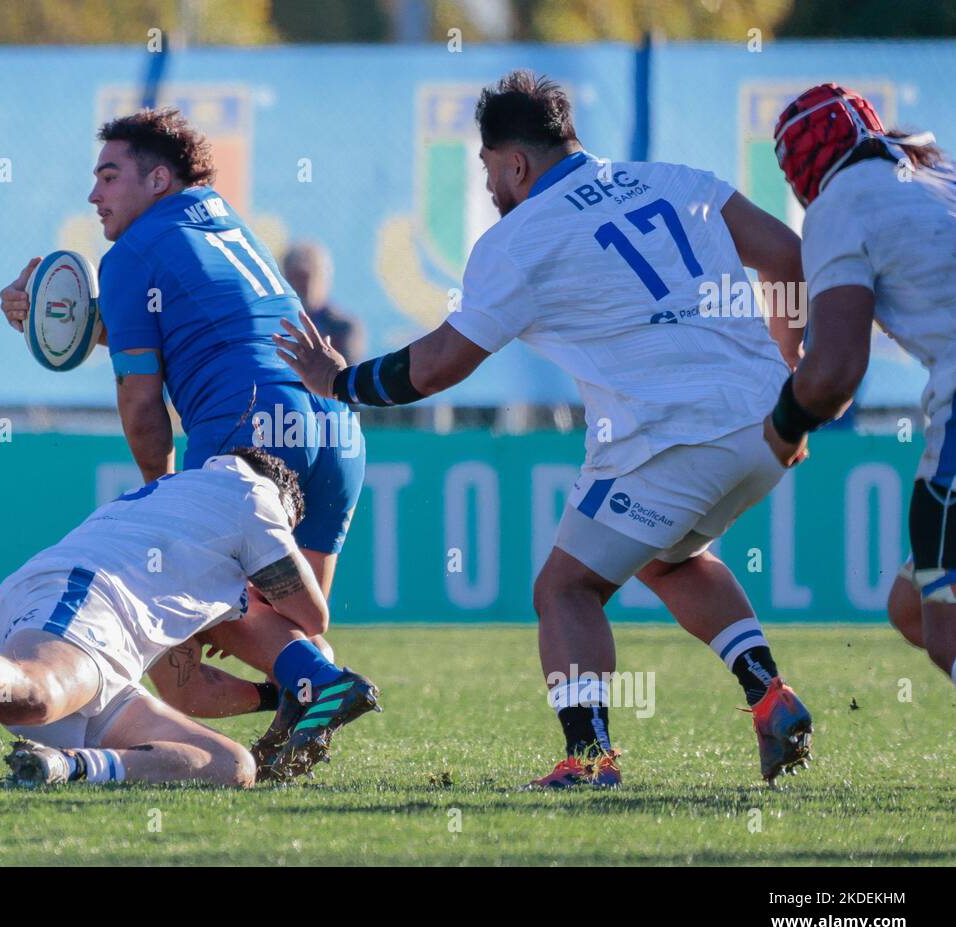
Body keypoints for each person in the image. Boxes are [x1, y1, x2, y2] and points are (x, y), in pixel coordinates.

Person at [278, 70, 812, 787]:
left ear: (516, 163)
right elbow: (786, 255)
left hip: (669, 438)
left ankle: (590, 761)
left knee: (565, 590)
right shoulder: (672, 178)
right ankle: (770, 697)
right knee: (668, 558)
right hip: (766, 423)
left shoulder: (519, 238)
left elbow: (434, 369)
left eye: (488, 171)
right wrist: (791, 376)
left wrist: (337, 381)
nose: (491, 190)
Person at [0, 109, 367, 774]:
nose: (94, 195)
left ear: (159, 178)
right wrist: (66, 318)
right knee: (296, 624)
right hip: (335, 425)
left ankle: (311, 687)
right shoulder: (215, 218)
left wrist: (163, 500)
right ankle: (303, 699)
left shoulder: (133, 252)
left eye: (109, 176)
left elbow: (141, 404)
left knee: (194, 635)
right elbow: (184, 322)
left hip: (247, 423)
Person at [0, 448, 380, 787]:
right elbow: (311, 614)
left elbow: (191, 694)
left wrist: (270, 694)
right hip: (84, 601)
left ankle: (70, 767)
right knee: (39, 690)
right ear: (283, 506)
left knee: (229, 765)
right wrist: (265, 598)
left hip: (106, 646)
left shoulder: (195, 535)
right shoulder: (250, 493)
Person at [762, 83, 956, 691]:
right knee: (911, 606)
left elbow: (836, 373)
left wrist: (782, 427)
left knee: (945, 627)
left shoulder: (840, 205)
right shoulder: (938, 175)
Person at [282, 241, 366, 363]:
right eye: (295, 277)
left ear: (323, 278)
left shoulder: (344, 327)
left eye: (306, 277)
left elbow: (349, 375)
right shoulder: (275, 323)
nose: (301, 285)